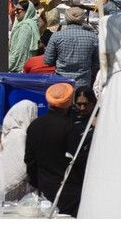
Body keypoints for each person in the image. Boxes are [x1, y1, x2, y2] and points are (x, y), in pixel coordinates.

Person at [25, 82, 89, 216]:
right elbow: (79, 160)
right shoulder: (69, 128)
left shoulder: (34, 125)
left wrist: (37, 183)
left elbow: (29, 160)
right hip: (68, 192)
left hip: (44, 190)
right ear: (69, 103)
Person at [44, 6, 99, 87]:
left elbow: (48, 61)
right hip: (83, 83)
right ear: (83, 18)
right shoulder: (92, 37)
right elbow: (97, 62)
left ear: (66, 18)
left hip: (60, 82)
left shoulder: (56, 36)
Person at [0, 99, 38, 201]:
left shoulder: (10, 132)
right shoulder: (19, 135)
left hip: (7, 184)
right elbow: (20, 166)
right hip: (15, 187)